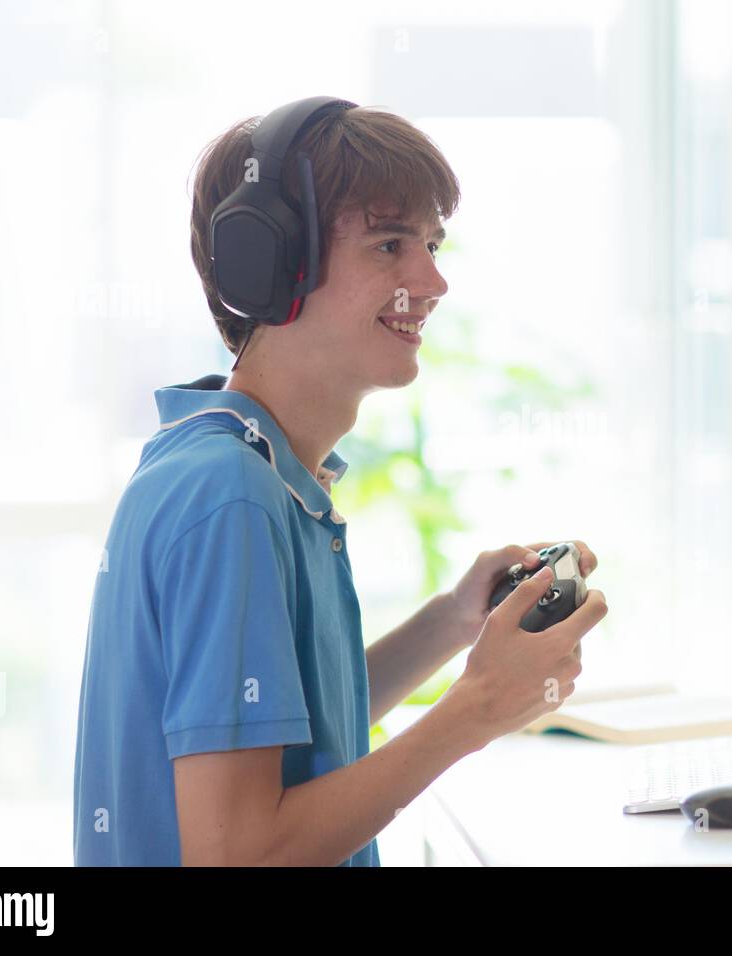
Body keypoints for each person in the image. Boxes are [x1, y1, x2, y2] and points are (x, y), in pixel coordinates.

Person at [72, 100, 608, 866]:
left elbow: (290, 731)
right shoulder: (230, 500)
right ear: (269, 267)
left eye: (431, 242)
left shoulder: (240, 469)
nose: (433, 280)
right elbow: (240, 856)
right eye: (391, 245)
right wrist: (474, 710)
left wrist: (454, 622)